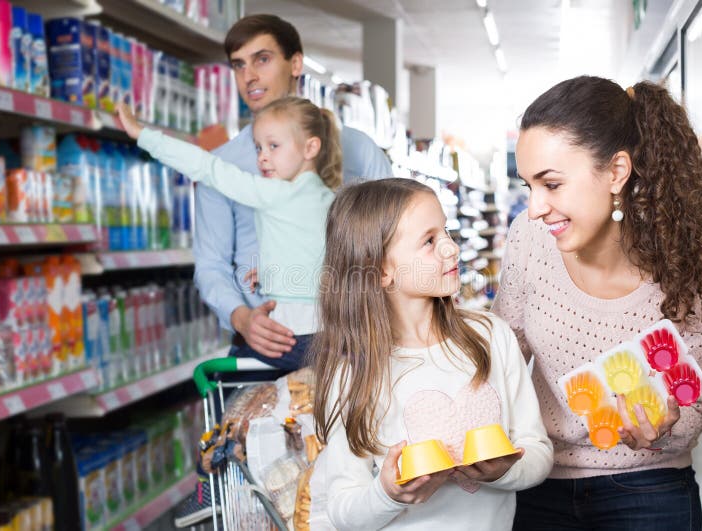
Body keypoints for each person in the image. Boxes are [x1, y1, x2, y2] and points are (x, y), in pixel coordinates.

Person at [492, 75, 702, 530]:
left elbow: (693, 407)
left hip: (650, 490)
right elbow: (504, 356)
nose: (535, 206)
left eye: (551, 184)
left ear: (617, 172)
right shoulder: (529, 238)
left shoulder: (687, 265)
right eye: (528, 186)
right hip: (541, 484)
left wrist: (661, 427)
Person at [311, 178, 553, 530]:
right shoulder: (355, 373)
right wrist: (387, 494)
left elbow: (538, 449)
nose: (450, 248)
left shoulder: (490, 337)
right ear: (381, 270)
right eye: (429, 241)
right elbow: (343, 511)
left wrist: (505, 470)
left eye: (447, 232)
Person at [194, 14, 392, 370]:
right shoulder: (222, 165)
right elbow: (211, 264)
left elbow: (393, 240)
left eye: (262, 59)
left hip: (348, 342)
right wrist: (242, 318)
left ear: (296, 63)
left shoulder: (358, 150)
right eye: (238, 65)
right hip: (266, 346)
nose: (249, 76)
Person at [118, 95, 339, 370]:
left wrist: (143, 135)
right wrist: (276, 269)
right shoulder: (332, 199)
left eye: (273, 146)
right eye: (258, 148)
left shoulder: (274, 193)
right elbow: (324, 258)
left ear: (310, 148)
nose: (262, 158)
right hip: (331, 337)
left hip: (290, 337)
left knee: (234, 390)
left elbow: (208, 168)